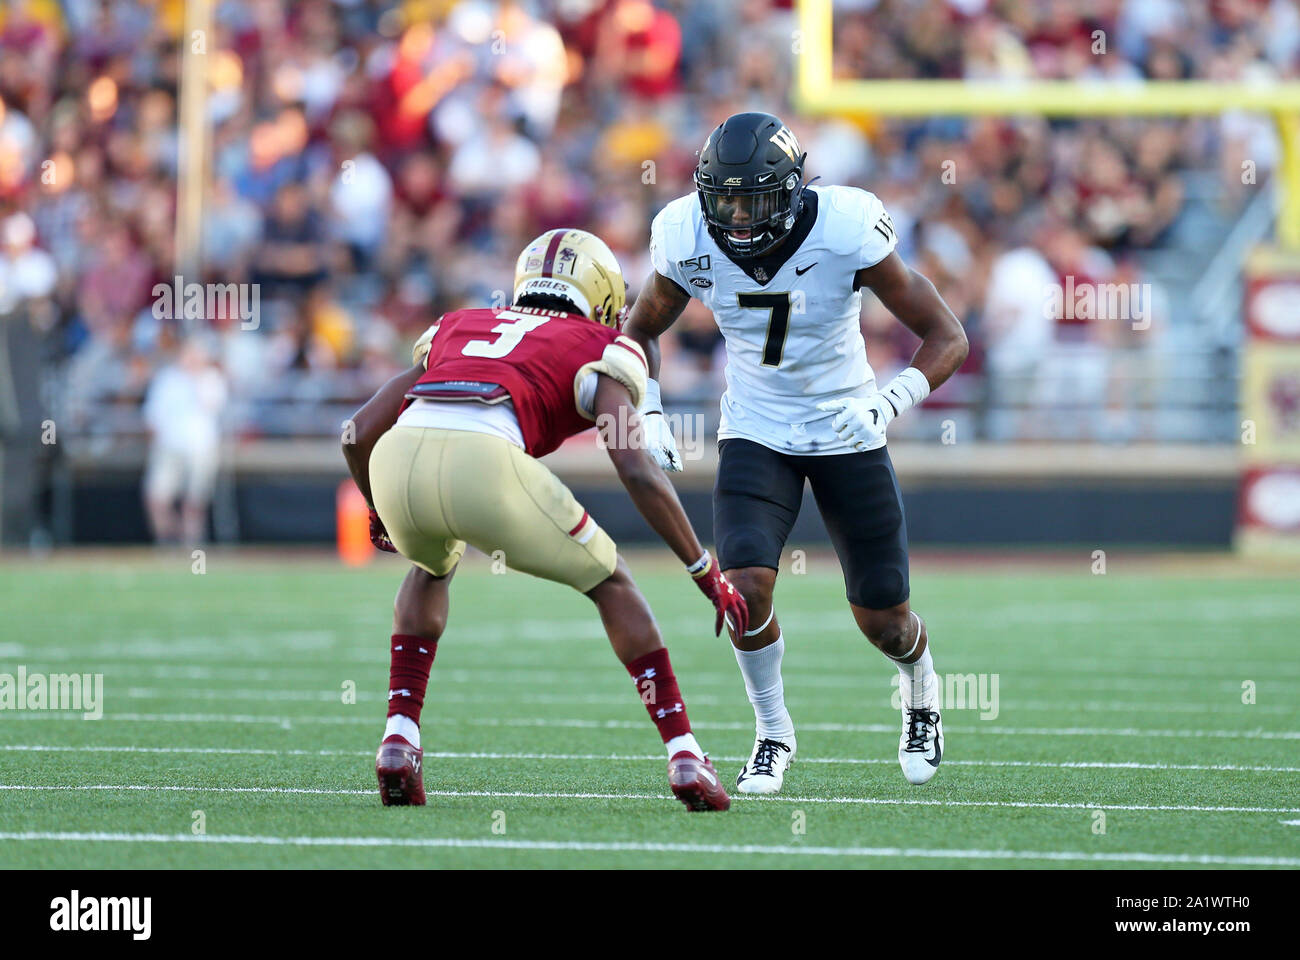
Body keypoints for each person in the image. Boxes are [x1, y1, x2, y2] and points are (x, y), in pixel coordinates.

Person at [343, 228, 747, 811]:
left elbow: (355, 432)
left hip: (396, 457)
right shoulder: (603, 344)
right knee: (612, 582)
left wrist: (379, 511)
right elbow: (635, 469)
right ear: (602, 295)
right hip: (483, 462)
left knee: (432, 566)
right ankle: (685, 754)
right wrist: (704, 570)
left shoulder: (460, 324)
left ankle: (398, 740)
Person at [624, 112, 969, 794]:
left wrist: (888, 402)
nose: (737, 215)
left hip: (846, 426)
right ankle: (773, 733)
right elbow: (638, 331)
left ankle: (921, 687)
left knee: (884, 617)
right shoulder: (685, 234)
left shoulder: (845, 226)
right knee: (744, 592)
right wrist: (650, 407)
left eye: (752, 198)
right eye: (723, 198)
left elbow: (946, 335)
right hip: (756, 428)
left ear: (790, 189)